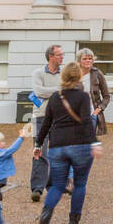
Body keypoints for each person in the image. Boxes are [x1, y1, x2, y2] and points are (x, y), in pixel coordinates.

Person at [34, 61, 96, 224]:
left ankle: (46, 214)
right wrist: (95, 143)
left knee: (58, 185)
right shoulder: (83, 97)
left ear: (63, 77)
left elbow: (46, 123)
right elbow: (85, 122)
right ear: (78, 77)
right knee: (80, 184)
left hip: (57, 145)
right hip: (79, 146)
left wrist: (38, 145)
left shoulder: (55, 97)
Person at [30, 44, 64, 201]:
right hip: (40, 116)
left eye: (62, 54)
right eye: (59, 55)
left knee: (56, 153)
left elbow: (67, 90)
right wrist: (58, 91)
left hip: (59, 117)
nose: (62, 57)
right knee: (39, 151)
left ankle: (52, 185)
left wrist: (52, 91)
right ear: (50, 56)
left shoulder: (64, 74)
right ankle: (37, 189)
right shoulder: (38, 73)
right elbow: (38, 92)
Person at [77, 47, 111, 136]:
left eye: (90, 58)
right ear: (79, 61)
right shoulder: (73, 73)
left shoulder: (97, 73)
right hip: (76, 115)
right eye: (84, 59)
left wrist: (98, 109)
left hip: (92, 114)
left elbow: (107, 96)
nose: (88, 61)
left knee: (89, 141)